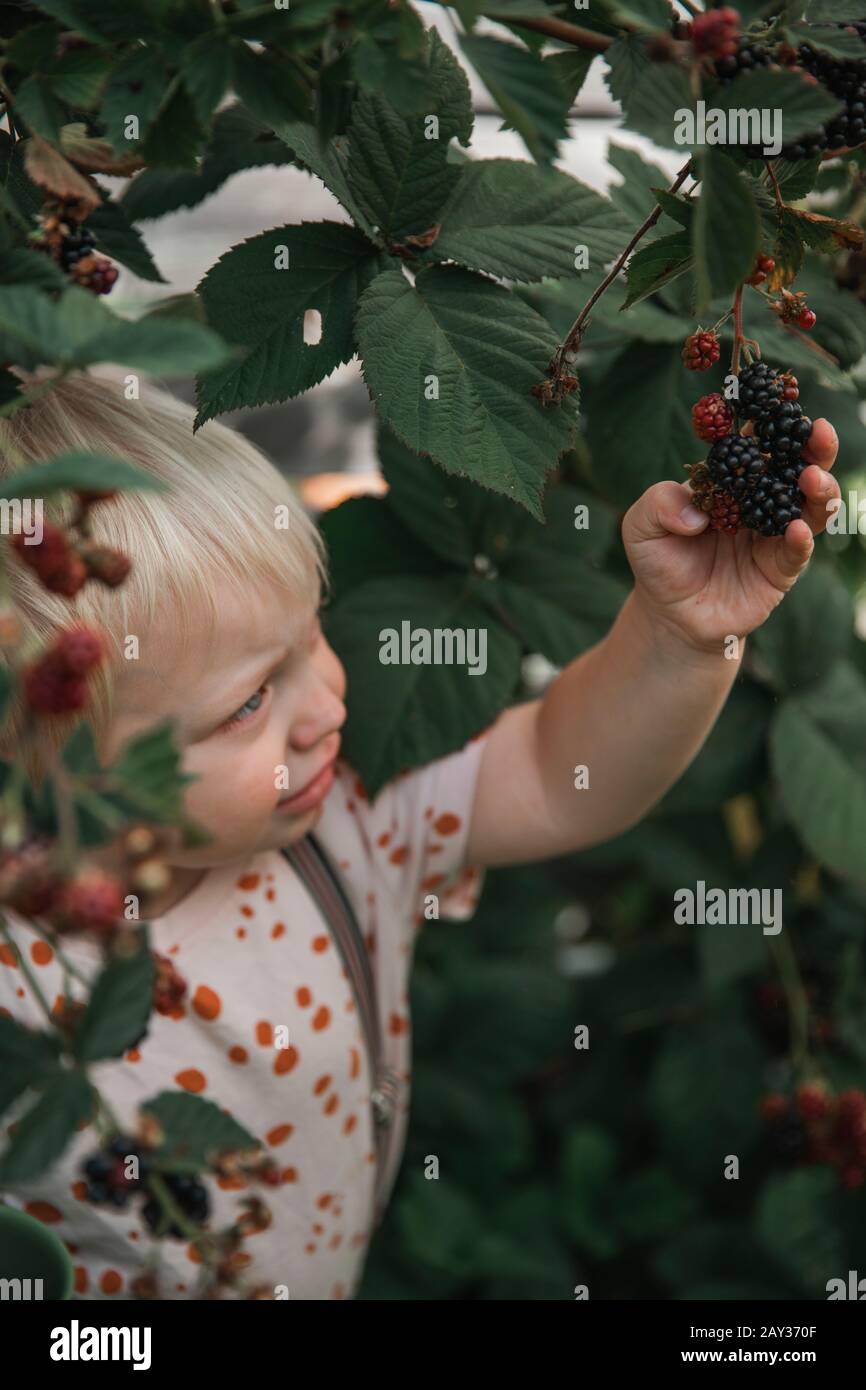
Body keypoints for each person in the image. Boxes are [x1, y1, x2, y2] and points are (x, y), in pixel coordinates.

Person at [0, 369, 841, 1299]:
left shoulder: (340, 817)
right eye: (246, 703)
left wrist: (684, 634)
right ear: (40, 756)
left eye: (311, 633)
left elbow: (564, 775)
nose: (324, 705)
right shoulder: (20, 1004)